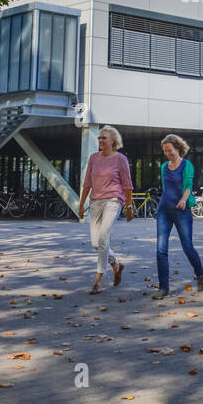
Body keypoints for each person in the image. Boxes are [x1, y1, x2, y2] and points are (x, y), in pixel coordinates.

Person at [78, 125, 133, 295]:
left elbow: (127, 185)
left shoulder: (120, 159)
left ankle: (98, 281)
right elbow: (87, 182)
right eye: (99, 138)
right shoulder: (94, 158)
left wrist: (129, 206)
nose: (100, 140)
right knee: (96, 243)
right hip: (95, 201)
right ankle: (116, 264)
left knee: (103, 238)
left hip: (113, 200)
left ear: (113, 141)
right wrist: (81, 205)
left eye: (104, 138)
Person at [152, 133, 203, 301]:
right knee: (161, 249)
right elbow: (166, 188)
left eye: (170, 150)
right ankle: (163, 288)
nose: (168, 153)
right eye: (165, 151)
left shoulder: (187, 165)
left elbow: (188, 186)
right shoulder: (163, 167)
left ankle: (200, 273)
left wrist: (183, 200)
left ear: (177, 148)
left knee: (187, 247)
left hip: (182, 211)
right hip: (164, 211)